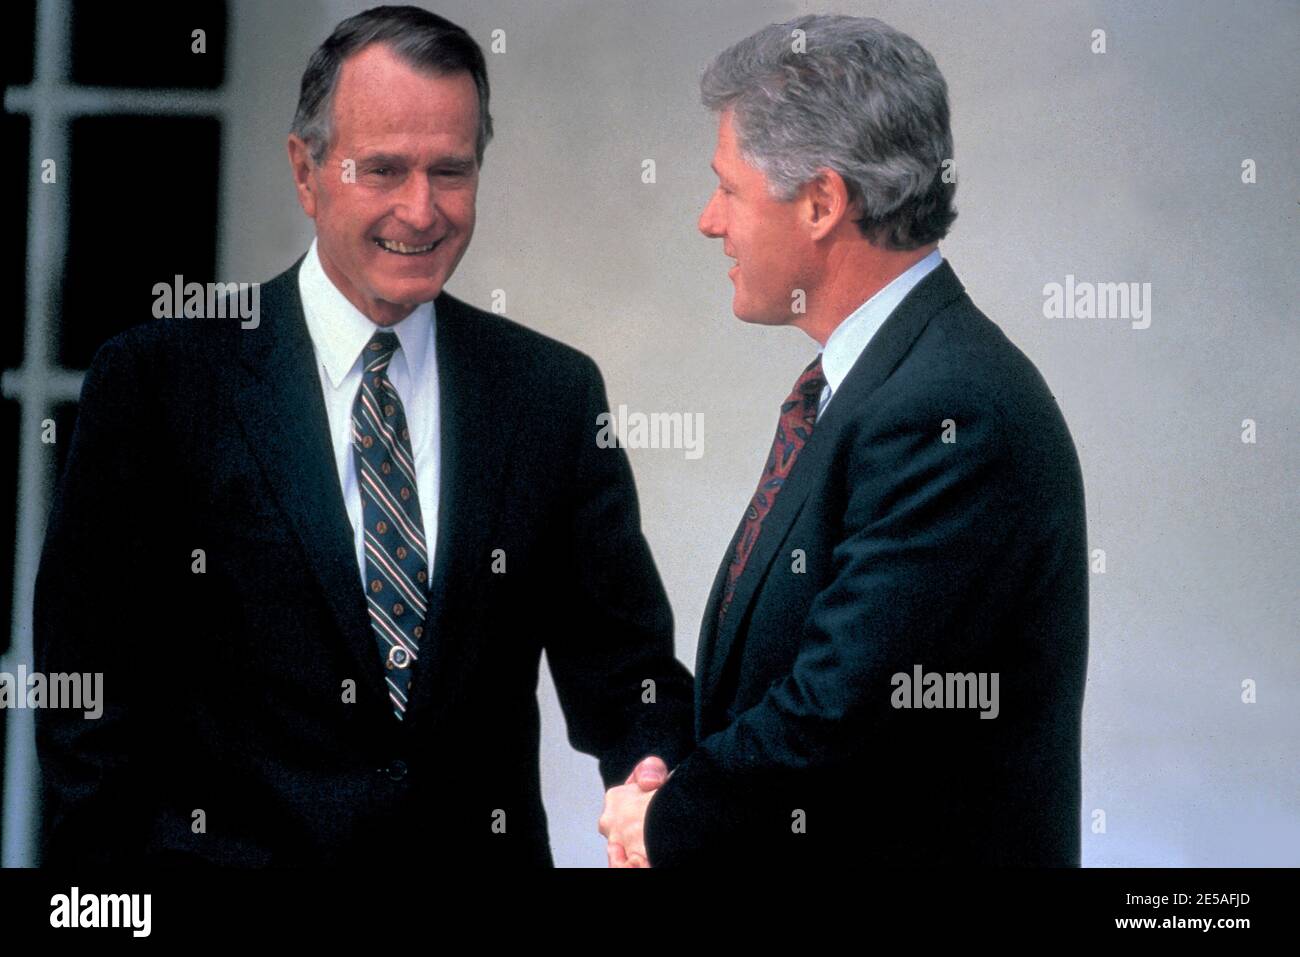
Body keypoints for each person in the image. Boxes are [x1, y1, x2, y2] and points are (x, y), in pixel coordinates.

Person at [34, 4, 693, 868]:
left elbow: (626, 670)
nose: (420, 211)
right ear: (306, 172)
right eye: (383, 169)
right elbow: (88, 704)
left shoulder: (550, 397)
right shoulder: (161, 382)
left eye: (450, 172)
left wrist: (653, 781)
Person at [600, 14, 1088, 868]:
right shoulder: (885, 386)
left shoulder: (948, 412)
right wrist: (675, 772)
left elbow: (842, 712)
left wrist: (669, 819)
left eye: (729, 188)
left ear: (823, 202)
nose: (708, 220)